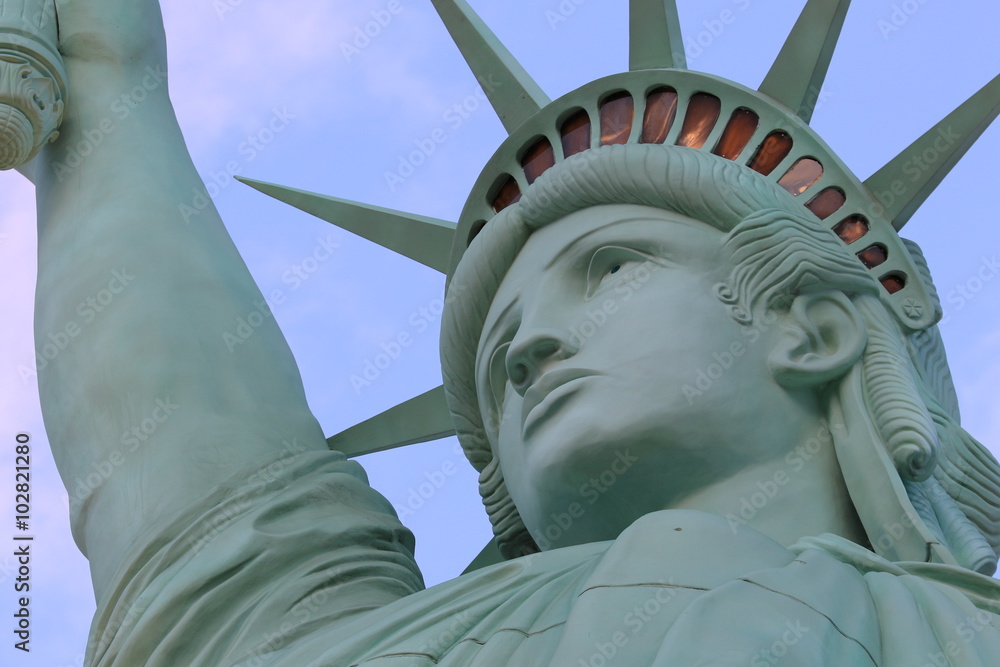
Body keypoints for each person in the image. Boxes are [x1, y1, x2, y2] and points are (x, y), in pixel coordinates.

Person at [21, 0, 1000, 664]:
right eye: (494, 363)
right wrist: (111, 95)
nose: (528, 350)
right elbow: (210, 528)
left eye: (611, 268)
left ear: (813, 327)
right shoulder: (416, 638)